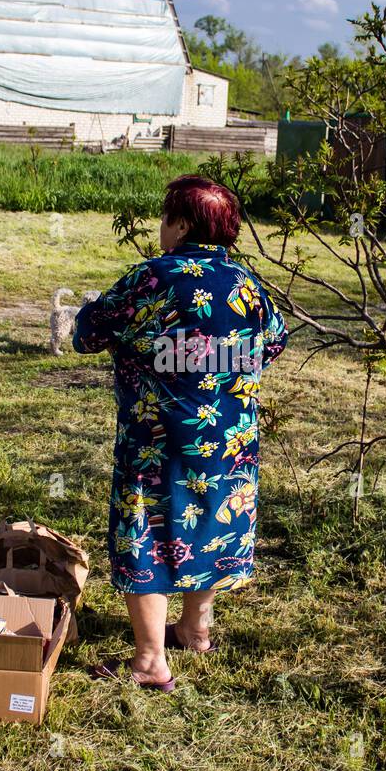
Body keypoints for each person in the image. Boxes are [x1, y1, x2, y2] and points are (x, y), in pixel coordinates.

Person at [74, 175, 288, 690]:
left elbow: (87, 334)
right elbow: (275, 342)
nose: (161, 227)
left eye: (166, 217)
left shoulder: (151, 279)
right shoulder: (248, 285)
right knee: (210, 526)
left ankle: (149, 661)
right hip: (229, 444)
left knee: (147, 536)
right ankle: (194, 630)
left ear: (183, 224)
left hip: (158, 443)